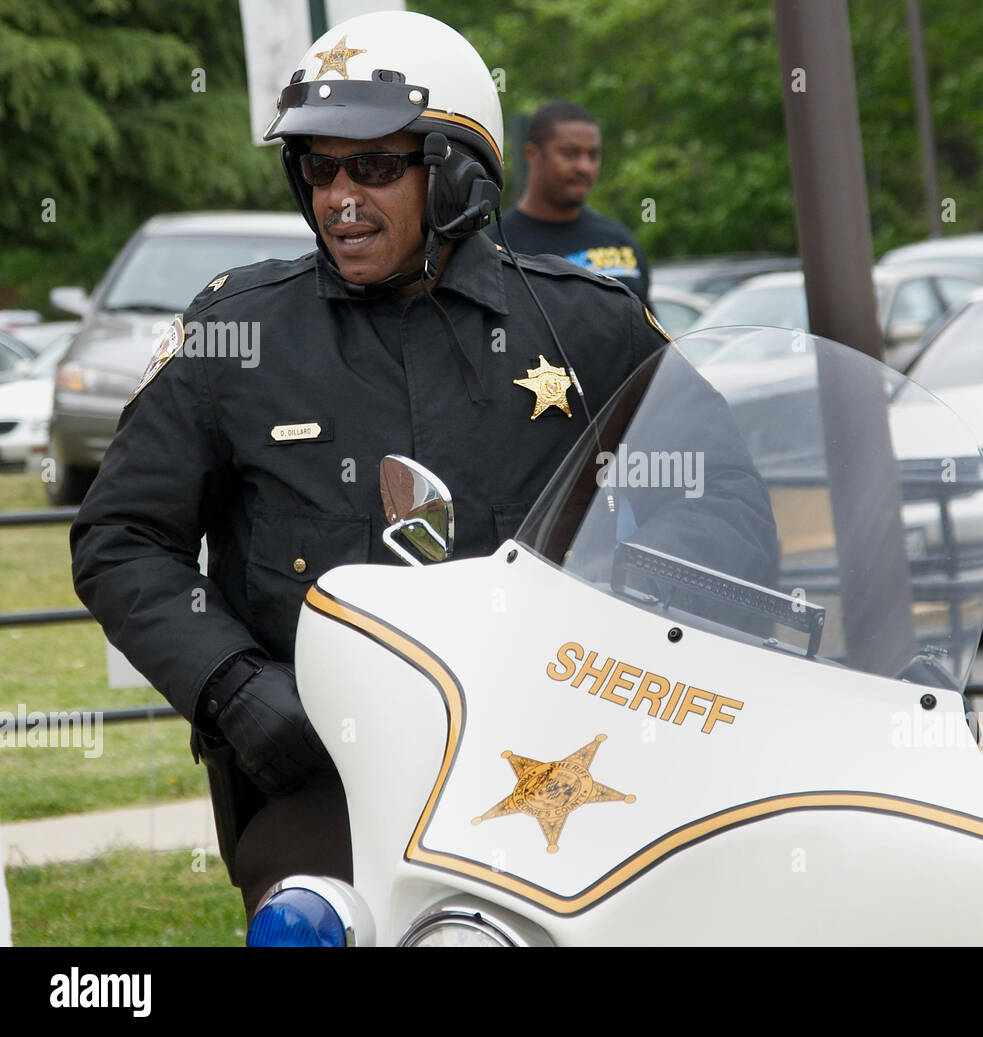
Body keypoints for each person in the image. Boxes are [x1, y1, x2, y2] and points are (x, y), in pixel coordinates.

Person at [68, 10, 675, 921]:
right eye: (319, 168)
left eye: (376, 166)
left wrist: (645, 663)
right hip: (319, 771)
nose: (339, 198)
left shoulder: (591, 326)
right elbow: (121, 537)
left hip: (556, 755)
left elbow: (716, 513)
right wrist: (231, 682)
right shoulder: (237, 334)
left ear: (459, 176)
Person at [487, 101, 652, 306]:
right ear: (533, 154)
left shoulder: (621, 241)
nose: (585, 166)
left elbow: (648, 332)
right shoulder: (494, 248)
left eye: (593, 155)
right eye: (570, 154)